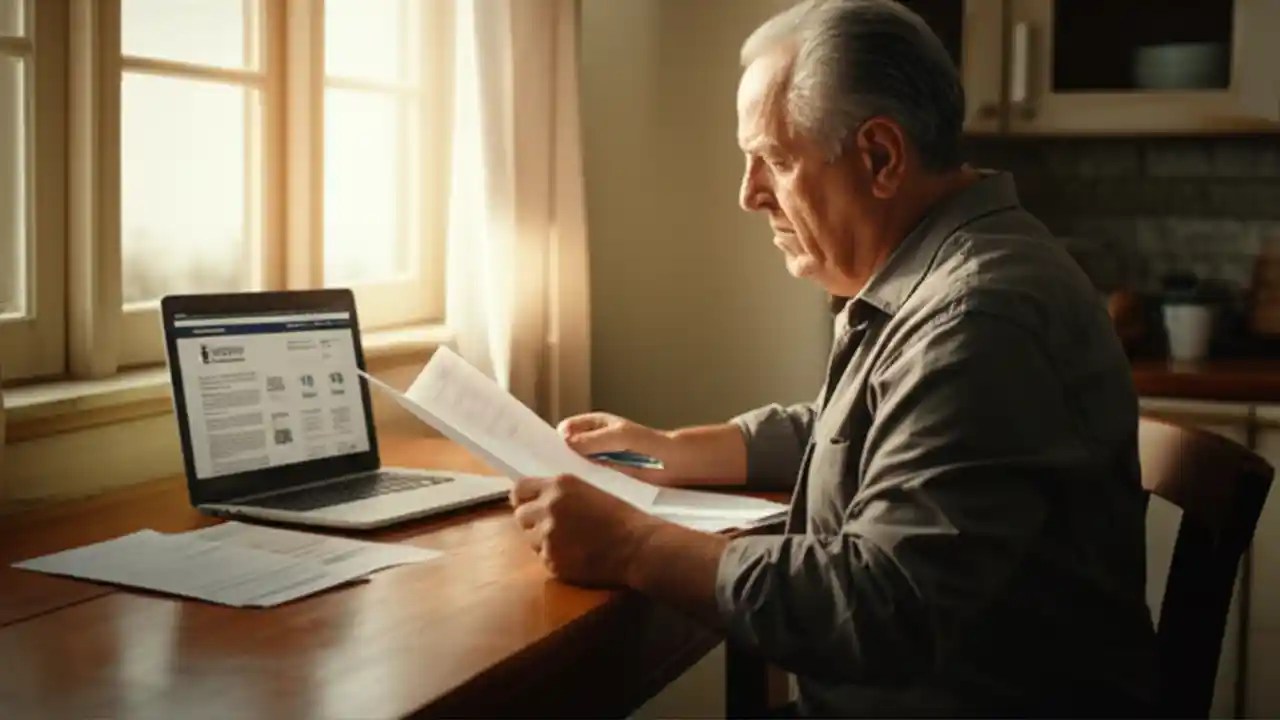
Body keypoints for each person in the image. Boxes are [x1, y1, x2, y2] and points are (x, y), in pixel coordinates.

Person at [508, 0, 1157, 715]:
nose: (749, 194)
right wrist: (672, 451)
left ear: (879, 157)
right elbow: (858, 424)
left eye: (775, 160)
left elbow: (881, 606)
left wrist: (634, 545)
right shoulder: (946, 276)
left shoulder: (977, 317)